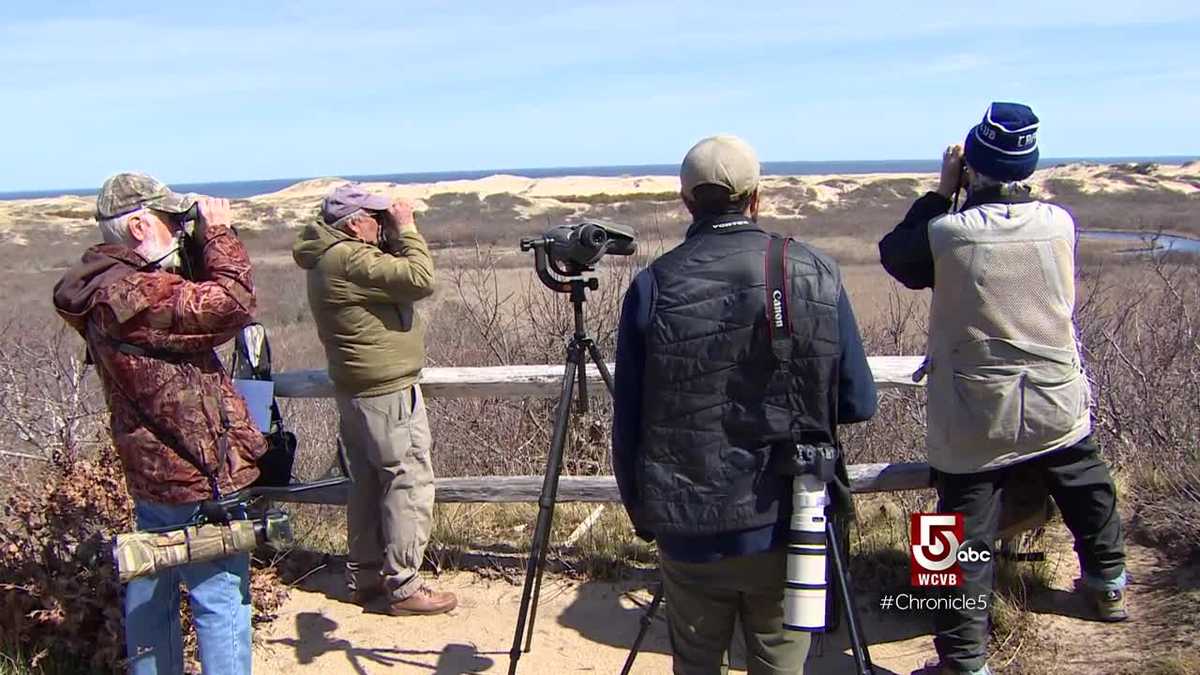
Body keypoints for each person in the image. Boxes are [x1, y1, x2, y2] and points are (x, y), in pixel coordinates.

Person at [878, 102, 1128, 675]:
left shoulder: (948, 234)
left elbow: (898, 256)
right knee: (1086, 482)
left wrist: (942, 192)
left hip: (973, 412)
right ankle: (1108, 583)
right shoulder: (1060, 223)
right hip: (1056, 397)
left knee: (957, 528)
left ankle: (963, 661)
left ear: (973, 167)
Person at [613, 135, 878, 674]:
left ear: (687, 202)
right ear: (756, 197)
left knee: (695, 663)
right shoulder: (813, 270)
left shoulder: (652, 287)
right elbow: (858, 401)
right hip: (788, 517)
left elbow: (630, 424)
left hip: (688, 523)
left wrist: (648, 514)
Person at [52, 172, 265, 675]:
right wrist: (218, 236)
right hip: (196, 470)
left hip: (153, 469)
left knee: (155, 591)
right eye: (171, 222)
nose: (178, 229)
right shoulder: (132, 295)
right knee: (220, 600)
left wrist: (188, 244)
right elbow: (233, 305)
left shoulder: (102, 286)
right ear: (142, 225)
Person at [292, 183, 454, 615]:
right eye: (375, 217)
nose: (381, 223)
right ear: (353, 224)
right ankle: (404, 586)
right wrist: (406, 229)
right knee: (407, 480)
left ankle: (364, 576)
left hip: (357, 389)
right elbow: (421, 280)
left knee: (366, 483)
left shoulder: (326, 257)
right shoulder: (350, 257)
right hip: (385, 391)